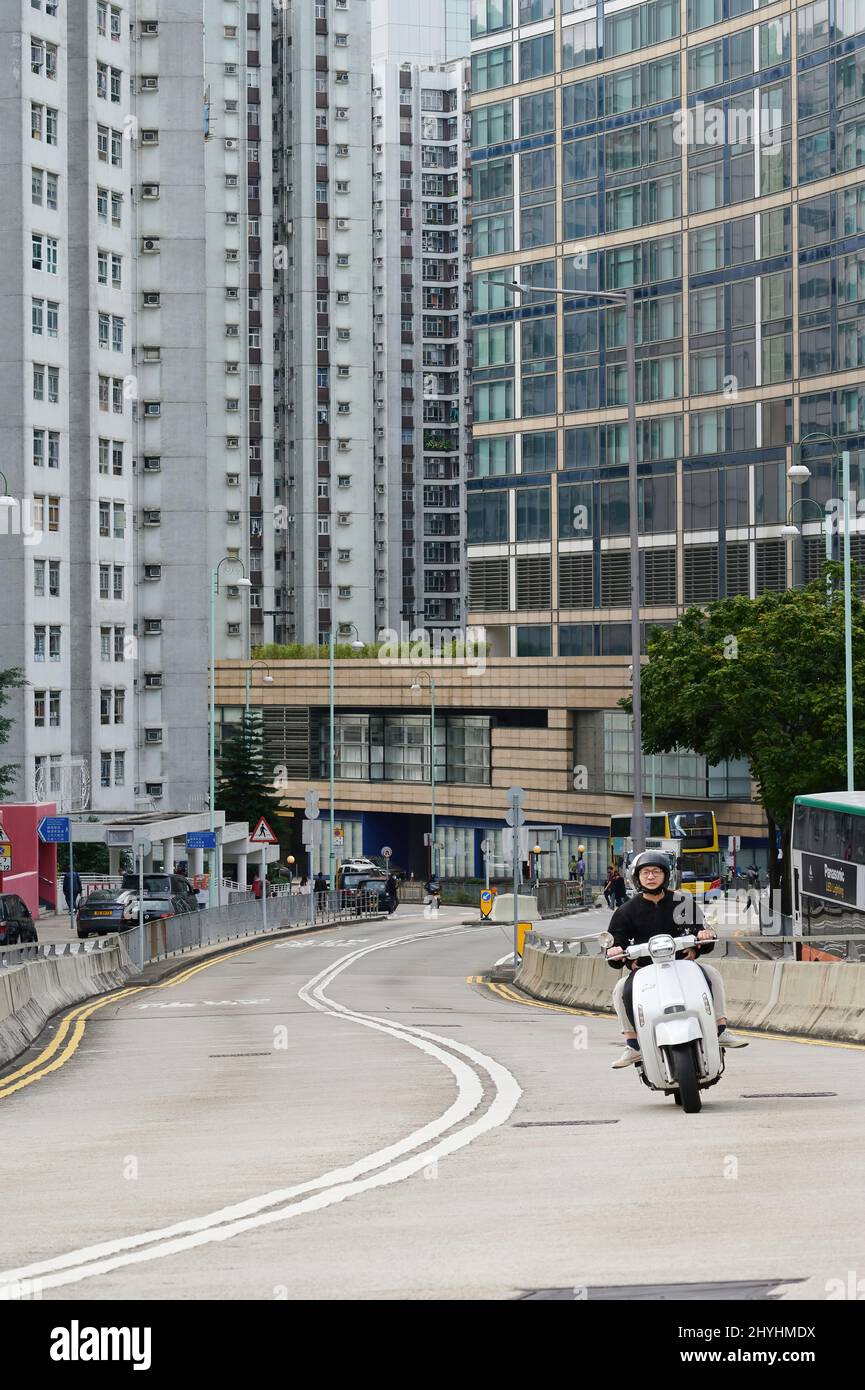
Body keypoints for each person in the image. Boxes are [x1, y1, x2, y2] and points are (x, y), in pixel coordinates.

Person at [605, 849, 748, 1069]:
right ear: (637, 878)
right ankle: (633, 1044)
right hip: (644, 971)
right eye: (645, 873)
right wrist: (616, 953)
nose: (650, 877)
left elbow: (702, 934)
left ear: (665, 875)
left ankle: (720, 1029)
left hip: (682, 966)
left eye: (655, 872)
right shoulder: (625, 911)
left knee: (712, 975)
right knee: (619, 990)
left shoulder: (683, 902)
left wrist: (703, 938)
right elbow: (616, 947)